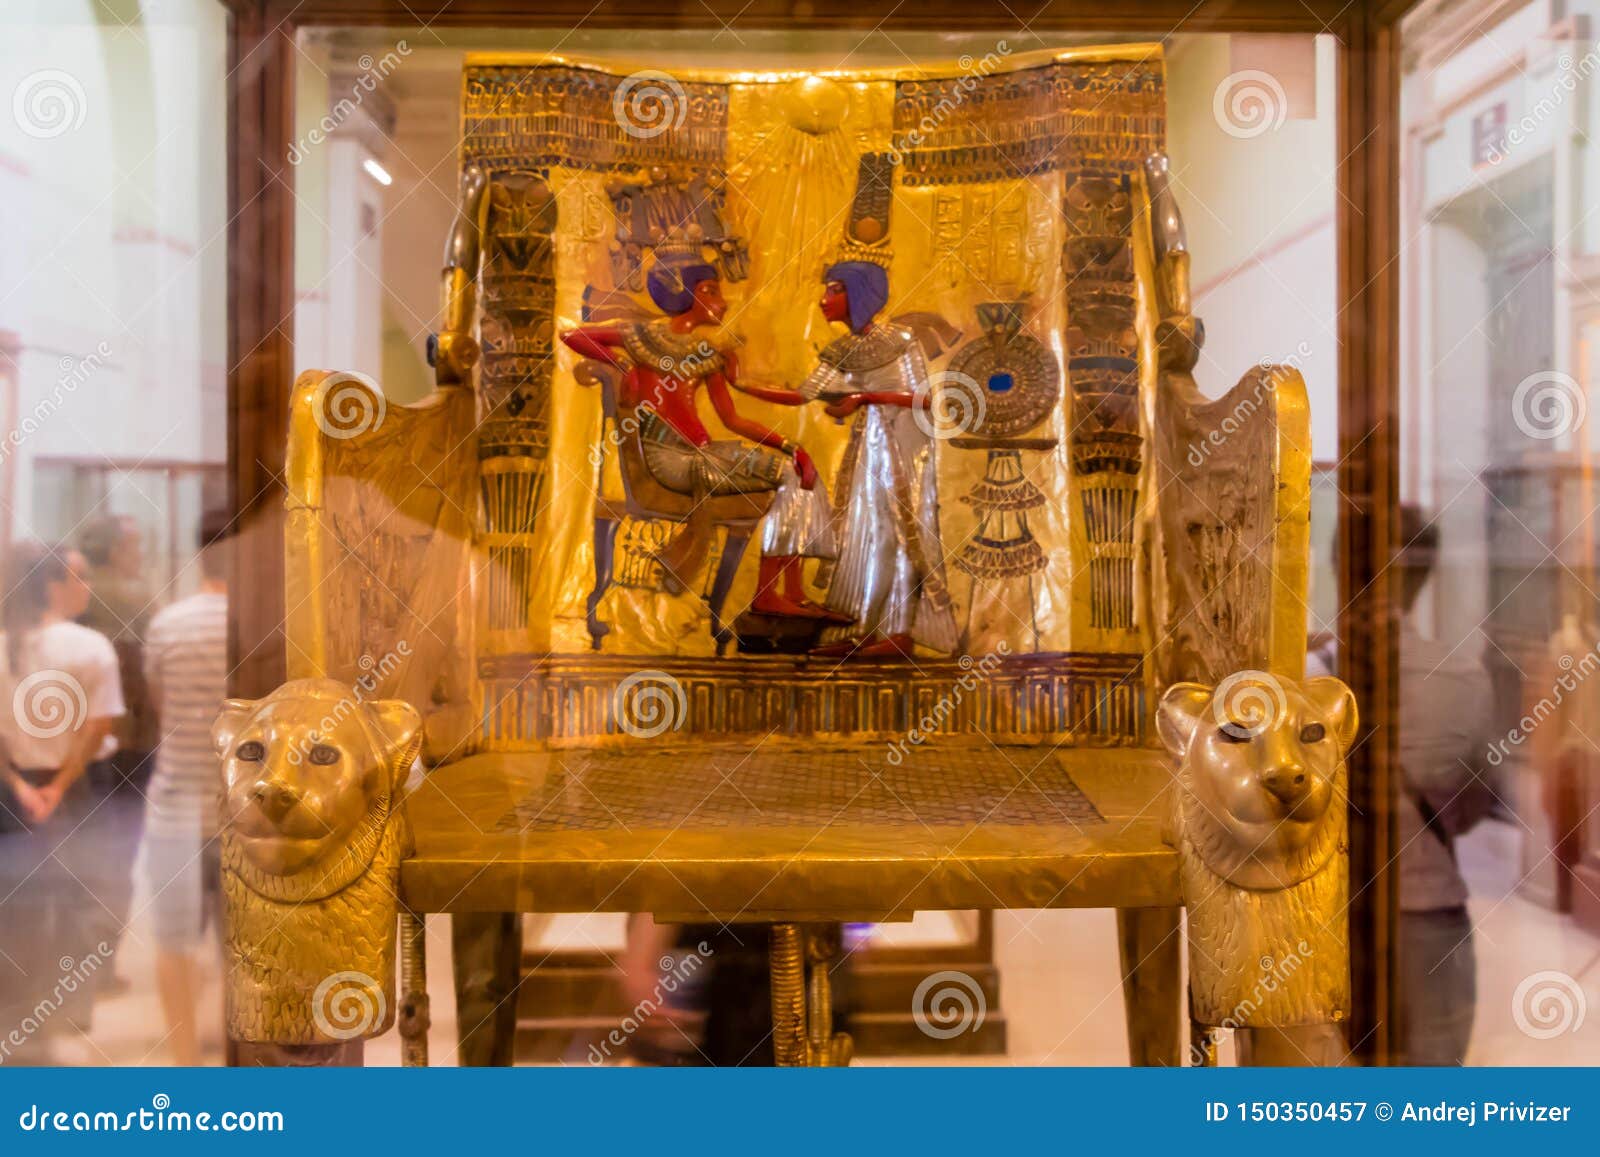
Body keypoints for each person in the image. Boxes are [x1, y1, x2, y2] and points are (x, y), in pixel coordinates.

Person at [0, 543, 126, 1063]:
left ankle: (17, 1009)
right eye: (78, 578)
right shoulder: (90, 646)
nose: (86, 589)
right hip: (75, 784)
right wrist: (59, 785)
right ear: (51, 584)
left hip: (14, 786)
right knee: (87, 894)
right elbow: (97, 728)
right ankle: (67, 1007)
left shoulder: (6, 643)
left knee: (19, 900)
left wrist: (21, 784)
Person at [140, 510, 230, 1065]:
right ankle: (235, 1048)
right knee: (240, 947)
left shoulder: (167, 625)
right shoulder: (260, 624)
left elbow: (158, 708)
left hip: (173, 806)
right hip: (240, 814)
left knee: (174, 944)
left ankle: (184, 1058)